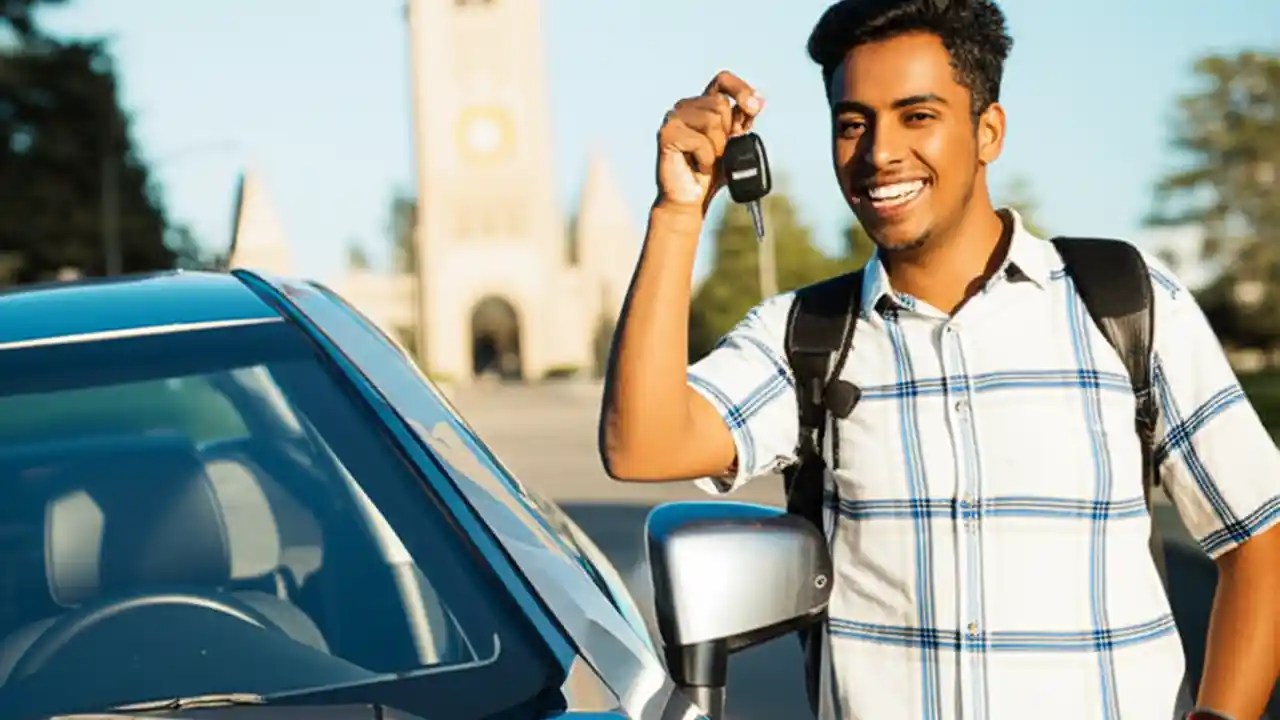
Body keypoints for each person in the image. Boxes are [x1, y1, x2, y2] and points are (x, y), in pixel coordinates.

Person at [598, 0, 1280, 718]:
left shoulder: (1124, 305)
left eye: (917, 116)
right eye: (853, 123)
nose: (879, 152)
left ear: (988, 131)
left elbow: (1261, 534)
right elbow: (641, 443)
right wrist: (677, 213)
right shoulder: (806, 337)